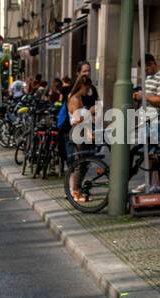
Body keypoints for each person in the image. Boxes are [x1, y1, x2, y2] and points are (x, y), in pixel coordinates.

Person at [133, 53, 160, 187]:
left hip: (155, 121)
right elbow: (146, 96)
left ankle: (154, 184)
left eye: (146, 69)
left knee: (153, 154)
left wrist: (144, 96)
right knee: (149, 154)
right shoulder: (149, 78)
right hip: (146, 120)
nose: (145, 72)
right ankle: (151, 183)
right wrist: (138, 96)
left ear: (152, 64)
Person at [65, 74, 95, 202]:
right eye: (87, 88)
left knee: (84, 162)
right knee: (80, 163)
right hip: (78, 132)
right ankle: (76, 192)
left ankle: (77, 190)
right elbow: (77, 120)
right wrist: (90, 112)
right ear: (82, 86)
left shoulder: (79, 98)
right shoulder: (75, 99)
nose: (88, 91)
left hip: (82, 132)